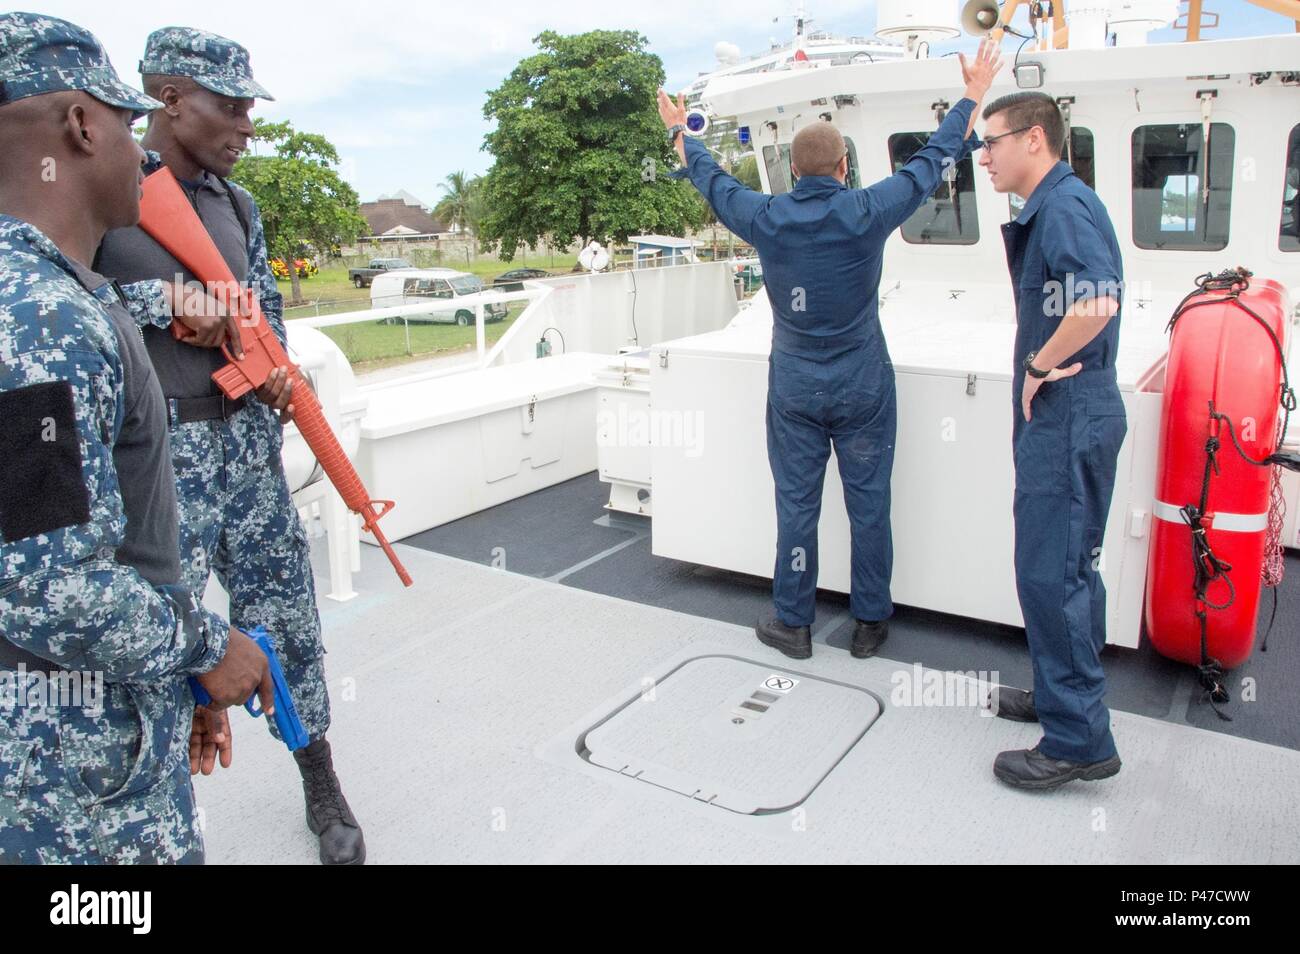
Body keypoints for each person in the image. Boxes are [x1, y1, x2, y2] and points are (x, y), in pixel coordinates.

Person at [0, 11, 272, 864]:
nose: (144, 153)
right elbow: (48, 587)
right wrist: (207, 645)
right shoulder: (37, 323)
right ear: (80, 127)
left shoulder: (54, 297)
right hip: (71, 773)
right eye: (126, 122)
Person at [94, 26, 365, 863]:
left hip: (245, 447)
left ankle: (321, 783)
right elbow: (63, 300)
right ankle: (157, 811)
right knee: (157, 641)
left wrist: (282, 371)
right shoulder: (107, 192)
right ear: (170, 100)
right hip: (157, 461)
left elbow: (265, 311)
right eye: (233, 104)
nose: (249, 124)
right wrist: (162, 303)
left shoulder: (237, 205)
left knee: (286, 620)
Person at [657, 40, 1003, 660]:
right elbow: (932, 161)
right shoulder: (869, 210)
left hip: (794, 387)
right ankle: (870, 622)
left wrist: (682, 133)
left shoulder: (763, 216)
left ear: (795, 173)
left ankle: (793, 623)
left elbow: (711, 180)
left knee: (797, 506)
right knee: (870, 505)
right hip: (864, 384)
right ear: (844, 168)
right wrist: (973, 93)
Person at [975, 91, 1126, 789]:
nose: (985, 157)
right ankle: (1062, 696)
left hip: (1068, 415)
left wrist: (1038, 366)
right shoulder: (1061, 205)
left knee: (1050, 571)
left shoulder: (1063, 207)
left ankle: (1077, 741)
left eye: (992, 142)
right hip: (1072, 414)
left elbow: (1096, 300)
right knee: (1068, 565)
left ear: (1034, 138)